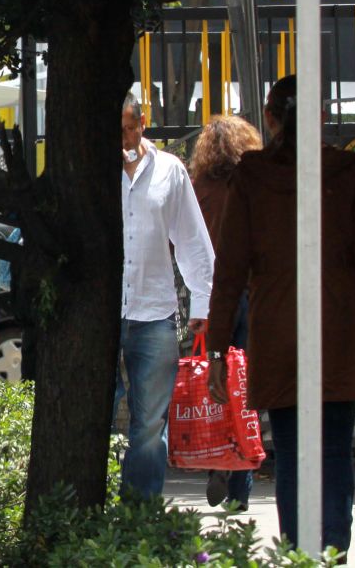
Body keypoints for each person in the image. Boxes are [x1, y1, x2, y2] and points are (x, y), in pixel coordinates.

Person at [207, 75, 355, 557]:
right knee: (333, 451)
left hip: (278, 328)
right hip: (338, 326)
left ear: (270, 119)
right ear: (316, 116)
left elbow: (229, 270)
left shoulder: (251, 178)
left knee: (292, 455)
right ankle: (333, 550)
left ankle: (299, 555)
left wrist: (215, 348)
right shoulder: (346, 172)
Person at [119, 93, 216, 499]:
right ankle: (98, 513)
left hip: (155, 311)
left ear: (143, 121)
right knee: (96, 417)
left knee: (150, 423)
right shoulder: (91, 171)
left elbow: (193, 239)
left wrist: (202, 303)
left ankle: (139, 515)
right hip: (101, 314)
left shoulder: (169, 171)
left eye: (128, 126)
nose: (122, 136)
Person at [189, 114, 263, 511]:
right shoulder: (253, 186)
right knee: (245, 389)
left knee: (213, 385)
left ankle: (217, 456)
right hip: (250, 295)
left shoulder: (198, 189)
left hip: (214, 297)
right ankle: (240, 487)